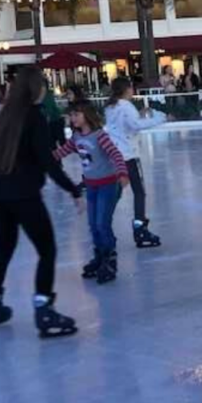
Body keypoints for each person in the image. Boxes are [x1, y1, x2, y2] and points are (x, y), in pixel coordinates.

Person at [0, 66, 82, 338]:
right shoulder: (34, 117)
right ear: (36, 89)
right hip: (23, 194)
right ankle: (44, 308)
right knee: (47, 250)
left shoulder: (6, 116)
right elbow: (48, 162)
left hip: (0, 194)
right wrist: (73, 189)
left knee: (4, 249)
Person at [54, 100, 128, 284]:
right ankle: (100, 257)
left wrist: (122, 173)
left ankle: (110, 260)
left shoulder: (99, 136)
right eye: (71, 115)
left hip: (108, 185)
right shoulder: (76, 137)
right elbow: (61, 152)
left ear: (87, 115)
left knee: (102, 223)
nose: (72, 118)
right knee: (93, 225)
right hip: (92, 186)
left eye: (76, 114)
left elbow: (116, 154)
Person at [105, 77, 165, 248]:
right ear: (126, 89)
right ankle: (140, 228)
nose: (133, 91)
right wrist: (161, 119)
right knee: (139, 192)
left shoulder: (110, 107)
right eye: (131, 88)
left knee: (115, 193)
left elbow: (125, 125)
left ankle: (103, 225)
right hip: (128, 156)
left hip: (114, 156)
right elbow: (136, 125)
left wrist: (139, 114)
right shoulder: (125, 105)